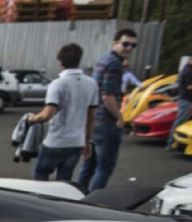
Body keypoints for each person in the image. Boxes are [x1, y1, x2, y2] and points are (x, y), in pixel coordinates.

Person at [76, 28, 137, 192]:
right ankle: (93, 205)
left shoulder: (103, 59)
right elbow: (107, 96)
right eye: (125, 44)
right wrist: (120, 117)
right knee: (105, 167)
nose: (128, 48)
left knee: (89, 165)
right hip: (107, 122)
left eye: (133, 45)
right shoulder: (115, 64)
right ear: (114, 43)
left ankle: (75, 198)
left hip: (95, 119)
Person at [27, 44, 98, 182]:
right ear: (79, 60)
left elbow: (47, 114)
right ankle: (61, 203)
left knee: (41, 174)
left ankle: (40, 203)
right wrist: (87, 140)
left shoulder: (58, 84)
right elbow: (92, 115)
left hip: (56, 141)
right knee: (64, 181)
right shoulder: (91, 83)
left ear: (60, 62)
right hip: (76, 142)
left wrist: (32, 118)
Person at [166, 60, 192, 150]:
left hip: (185, 99)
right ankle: (171, 142)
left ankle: (177, 143)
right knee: (181, 121)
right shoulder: (188, 71)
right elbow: (189, 86)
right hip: (186, 99)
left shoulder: (185, 69)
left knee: (182, 121)